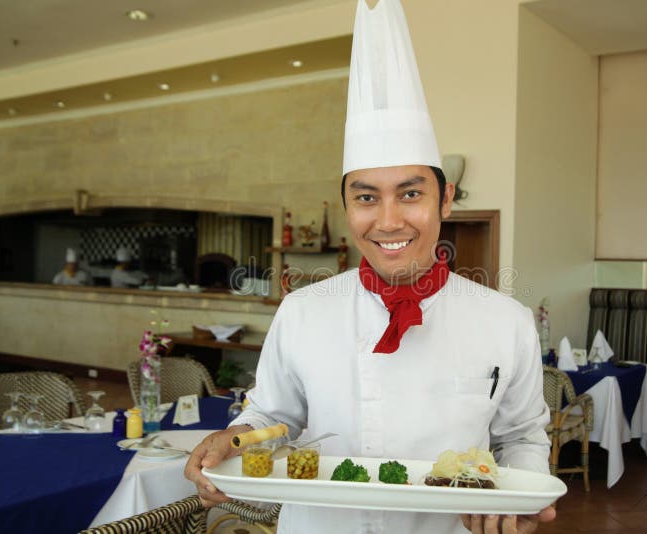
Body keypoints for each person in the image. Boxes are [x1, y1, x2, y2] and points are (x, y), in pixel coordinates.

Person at [185, 1, 555, 533]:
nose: (388, 220)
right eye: (365, 197)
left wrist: (515, 501)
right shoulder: (303, 311)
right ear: (345, 206)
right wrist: (233, 435)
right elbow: (274, 418)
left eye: (410, 193)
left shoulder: (506, 321)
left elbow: (521, 438)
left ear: (445, 199)